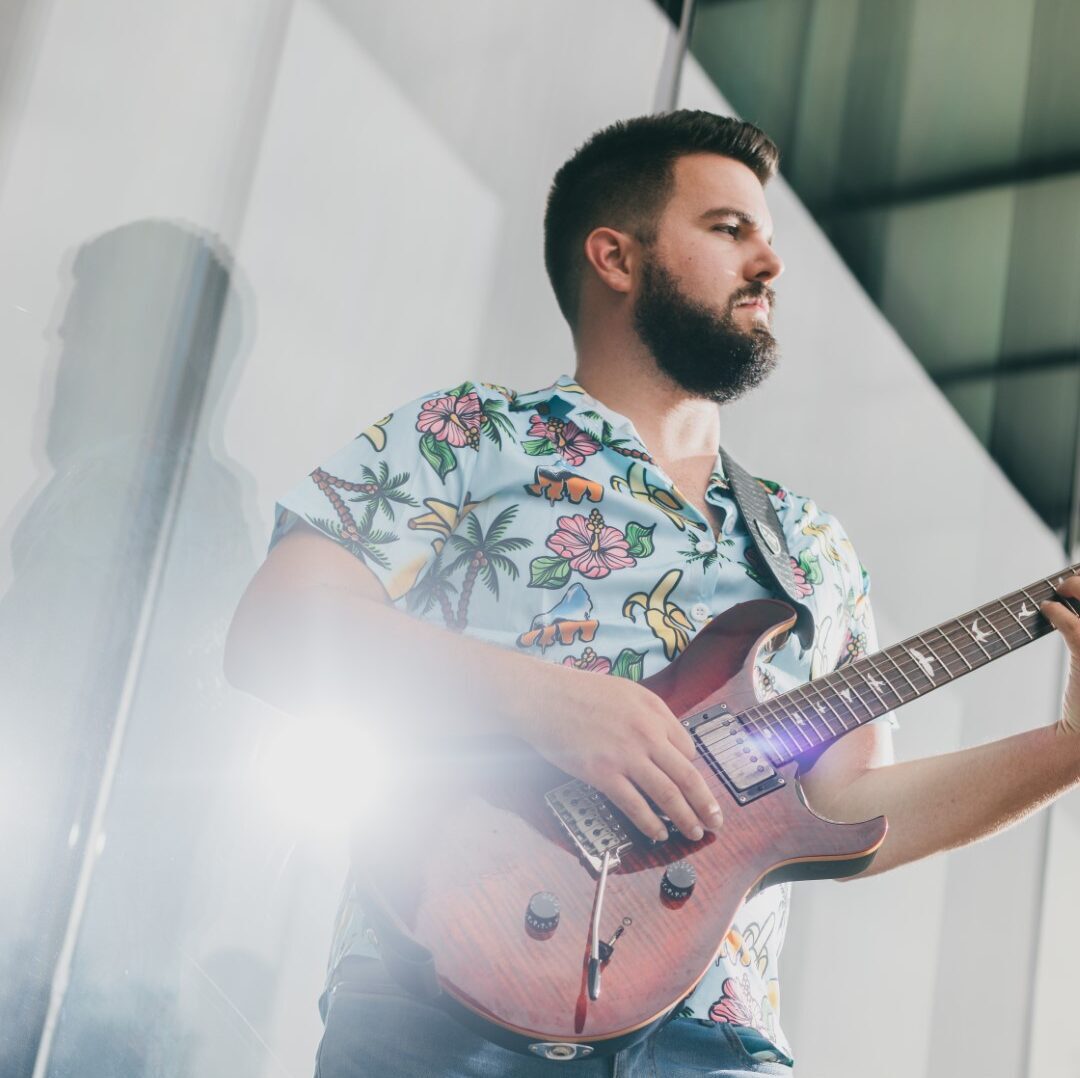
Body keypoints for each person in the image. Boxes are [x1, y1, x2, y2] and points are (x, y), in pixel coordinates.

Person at [224, 111, 1080, 1077]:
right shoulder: (467, 434)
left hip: (716, 1038)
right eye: (730, 229)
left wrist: (1069, 750)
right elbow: (275, 629)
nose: (771, 263)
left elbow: (853, 806)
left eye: (766, 235)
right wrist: (545, 701)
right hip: (446, 998)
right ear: (616, 258)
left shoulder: (811, 546)